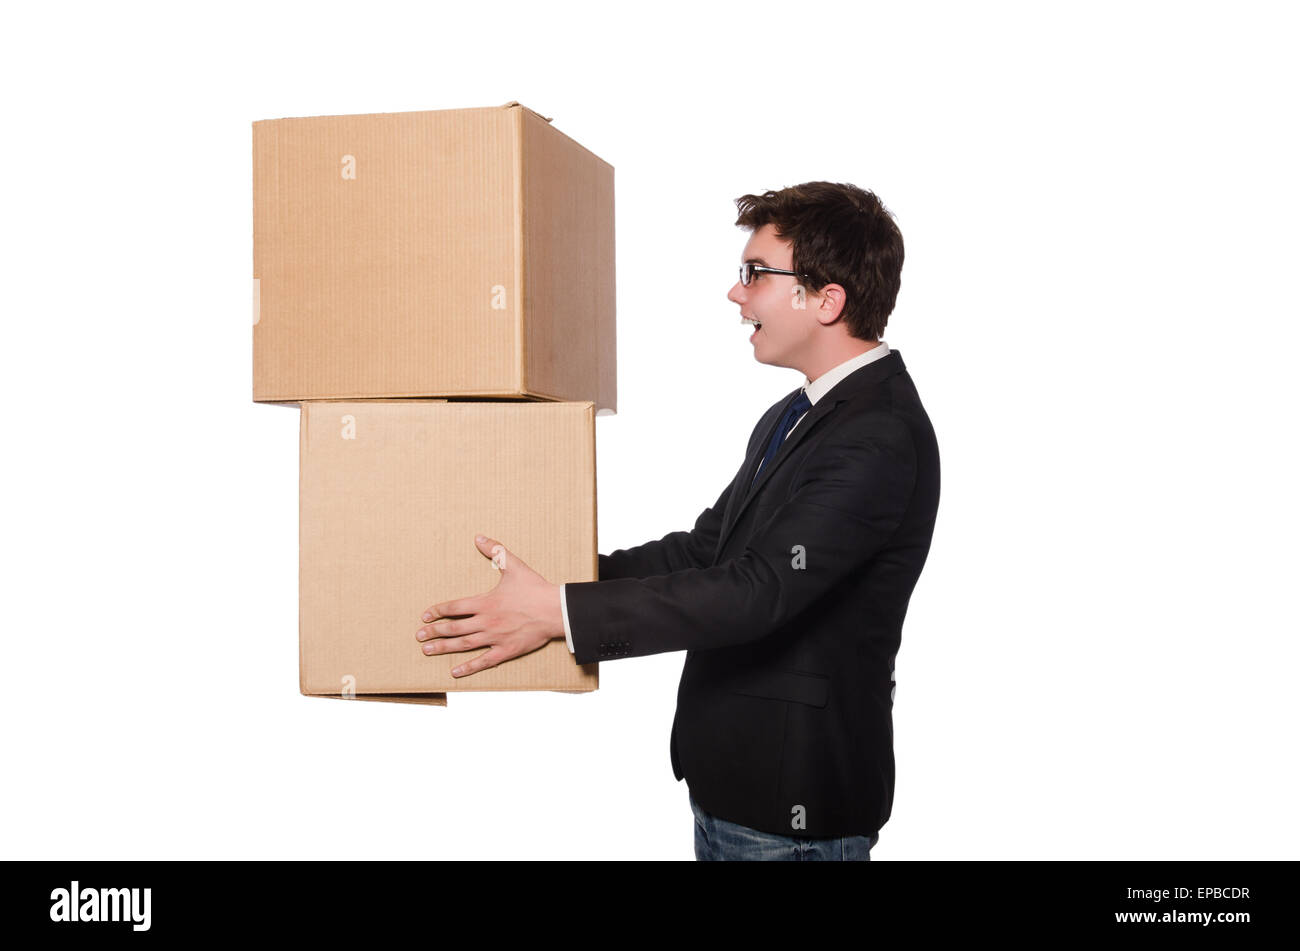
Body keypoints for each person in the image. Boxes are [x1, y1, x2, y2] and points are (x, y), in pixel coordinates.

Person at [417, 182, 941, 861]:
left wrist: (561, 613)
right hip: (734, 784)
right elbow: (706, 549)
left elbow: (759, 590)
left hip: (790, 811)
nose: (735, 292)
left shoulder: (880, 434)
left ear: (826, 299)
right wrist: (566, 577)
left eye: (755, 273)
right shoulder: (797, 414)